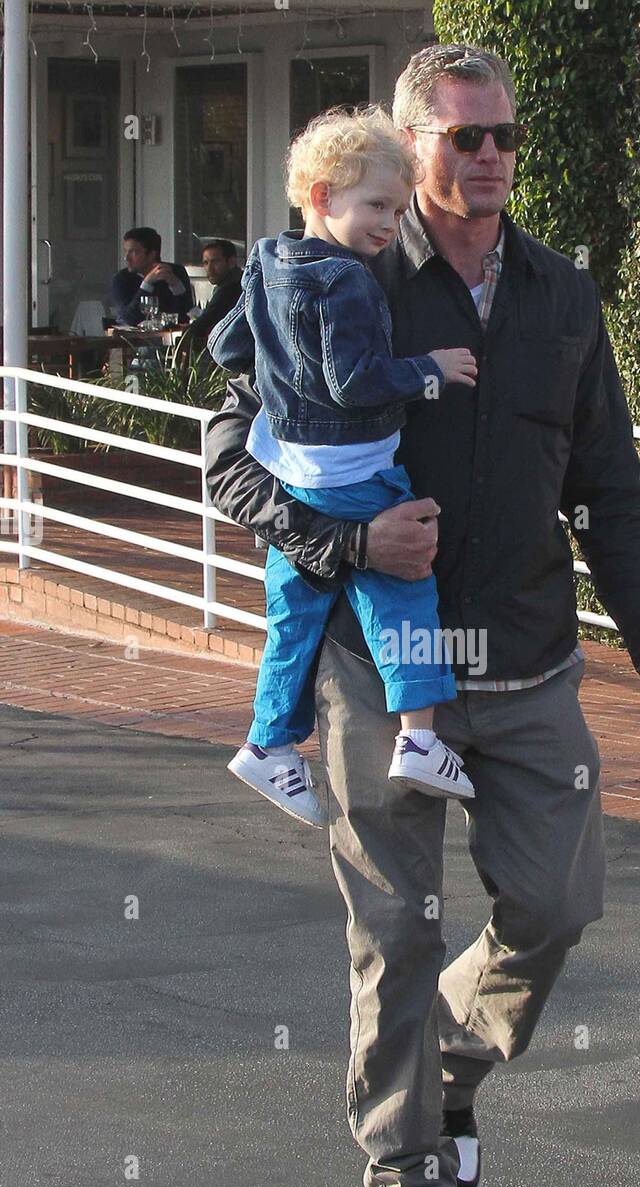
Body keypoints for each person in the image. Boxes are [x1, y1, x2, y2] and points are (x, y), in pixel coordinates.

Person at [205, 43, 640, 1187]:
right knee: (395, 931)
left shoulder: (557, 295)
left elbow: (607, 487)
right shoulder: (342, 275)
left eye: (504, 139)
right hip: (387, 662)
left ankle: (451, 1068)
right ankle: (407, 1182)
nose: (489, 159)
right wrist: (349, 537)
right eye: (463, 138)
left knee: (554, 907)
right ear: (413, 145)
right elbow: (229, 464)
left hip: (530, 657)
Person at [208, 107, 479, 827]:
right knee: (403, 587)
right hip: (357, 466)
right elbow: (355, 382)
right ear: (324, 197)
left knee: (292, 613)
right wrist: (429, 370)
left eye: (396, 208)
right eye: (377, 207)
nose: (389, 224)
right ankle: (420, 736)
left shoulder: (267, 259)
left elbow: (230, 347)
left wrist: (280, 375)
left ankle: (267, 743)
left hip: (292, 467)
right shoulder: (351, 281)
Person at [110, 226, 193, 327]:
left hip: (169, 339)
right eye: (125, 251)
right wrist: (147, 283)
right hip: (131, 340)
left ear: (151, 255)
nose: (126, 258)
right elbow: (129, 319)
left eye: (133, 252)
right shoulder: (121, 279)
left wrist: (176, 285)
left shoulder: (176, 272)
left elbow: (187, 315)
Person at [186, 240, 243, 350]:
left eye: (216, 262)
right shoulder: (232, 282)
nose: (210, 269)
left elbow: (203, 324)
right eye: (206, 263)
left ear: (231, 262)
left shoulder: (231, 288)